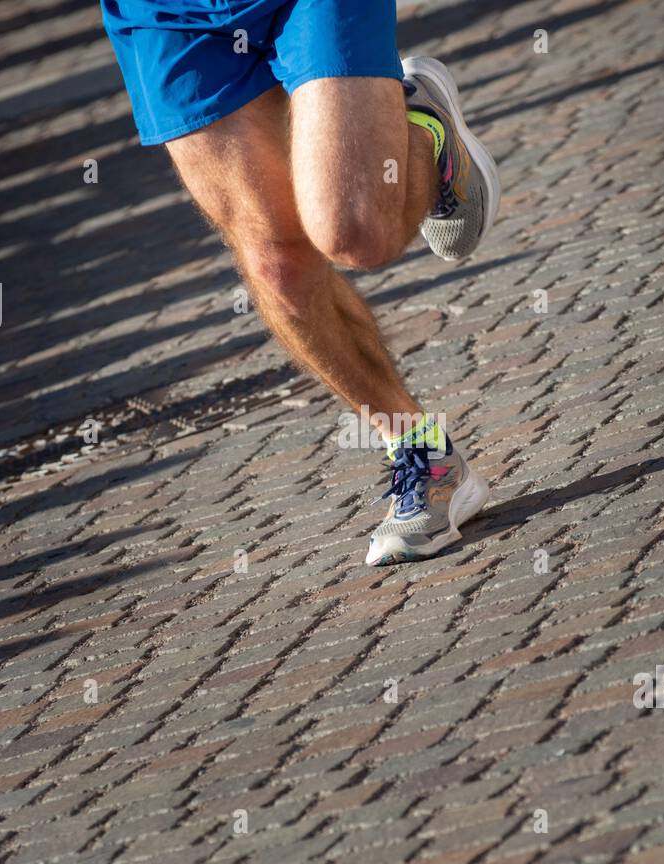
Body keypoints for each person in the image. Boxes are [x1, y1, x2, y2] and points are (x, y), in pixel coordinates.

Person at [101, 0, 500, 564]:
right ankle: (423, 453)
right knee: (276, 267)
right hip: (165, 12)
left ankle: (423, 131)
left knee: (357, 234)